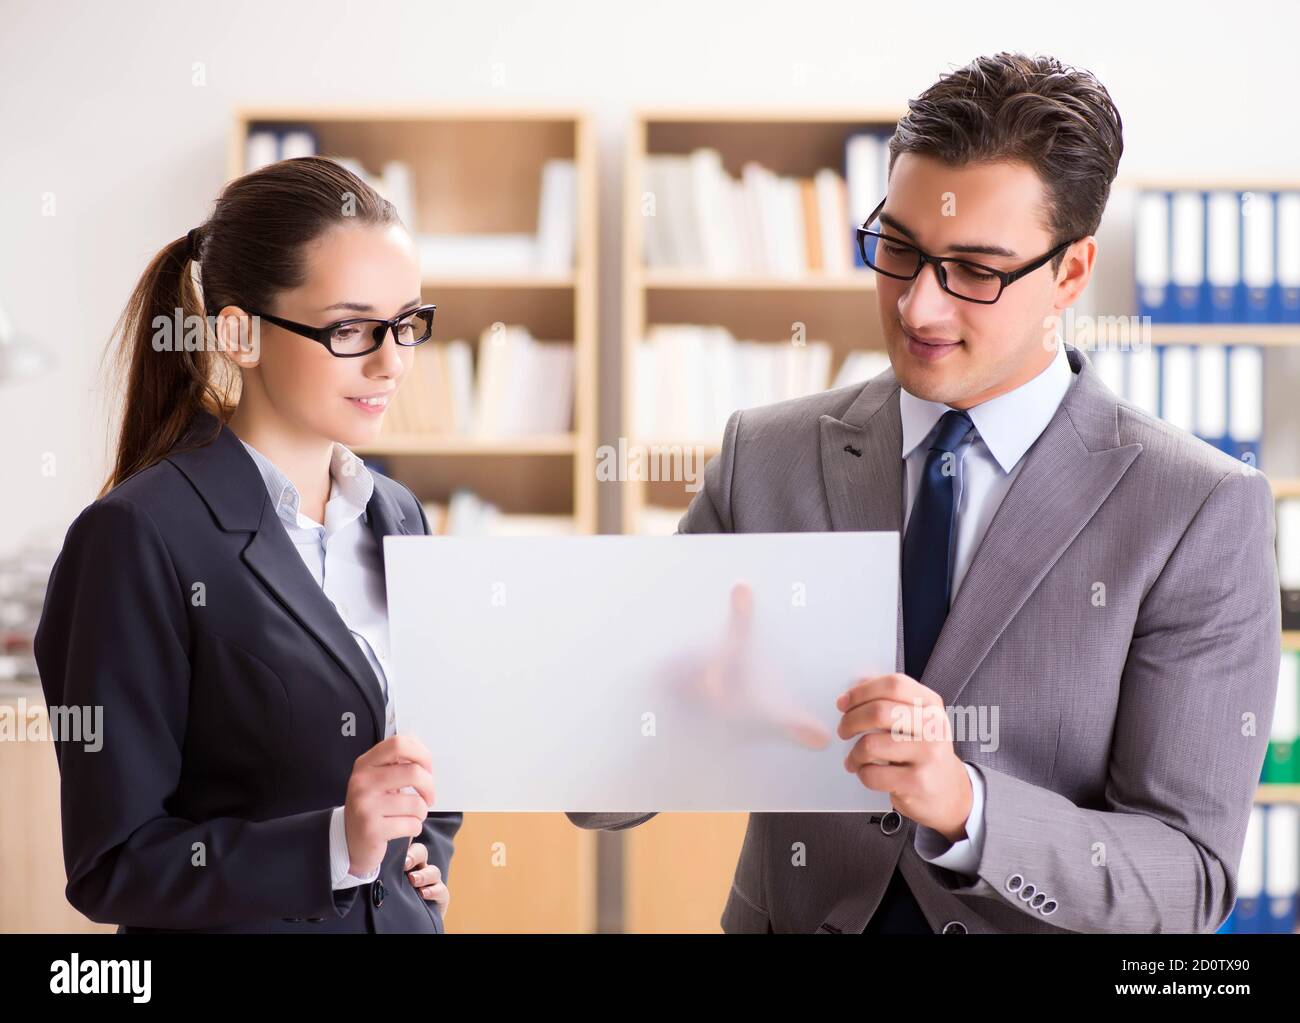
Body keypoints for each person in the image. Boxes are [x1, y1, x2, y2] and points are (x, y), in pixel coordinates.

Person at [569, 52, 1281, 934]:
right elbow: (598, 788)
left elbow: (1187, 881)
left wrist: (967, 805)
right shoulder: (766, 454)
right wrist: (662, 716)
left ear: (1071, 271)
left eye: (975, 270)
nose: (917, 309)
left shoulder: (1196, 509)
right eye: (897, 249)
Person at [34, 156, 460, 933]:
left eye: (407, 323)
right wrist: (337, 844)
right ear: (241, 333)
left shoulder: (397, 515)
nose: (392, 360)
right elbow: (113, 862)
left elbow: (424, 755)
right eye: (352, 327)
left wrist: (420, 849)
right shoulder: (137, 537)